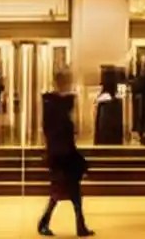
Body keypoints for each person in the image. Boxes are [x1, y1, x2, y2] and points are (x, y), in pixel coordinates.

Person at [39, 71, 94, 238]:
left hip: (62, 152)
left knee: (68, 191)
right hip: (61, 153)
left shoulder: (53, 103)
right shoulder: (57, 103)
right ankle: (48, 223)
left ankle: (77, 224)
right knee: (64, 190)